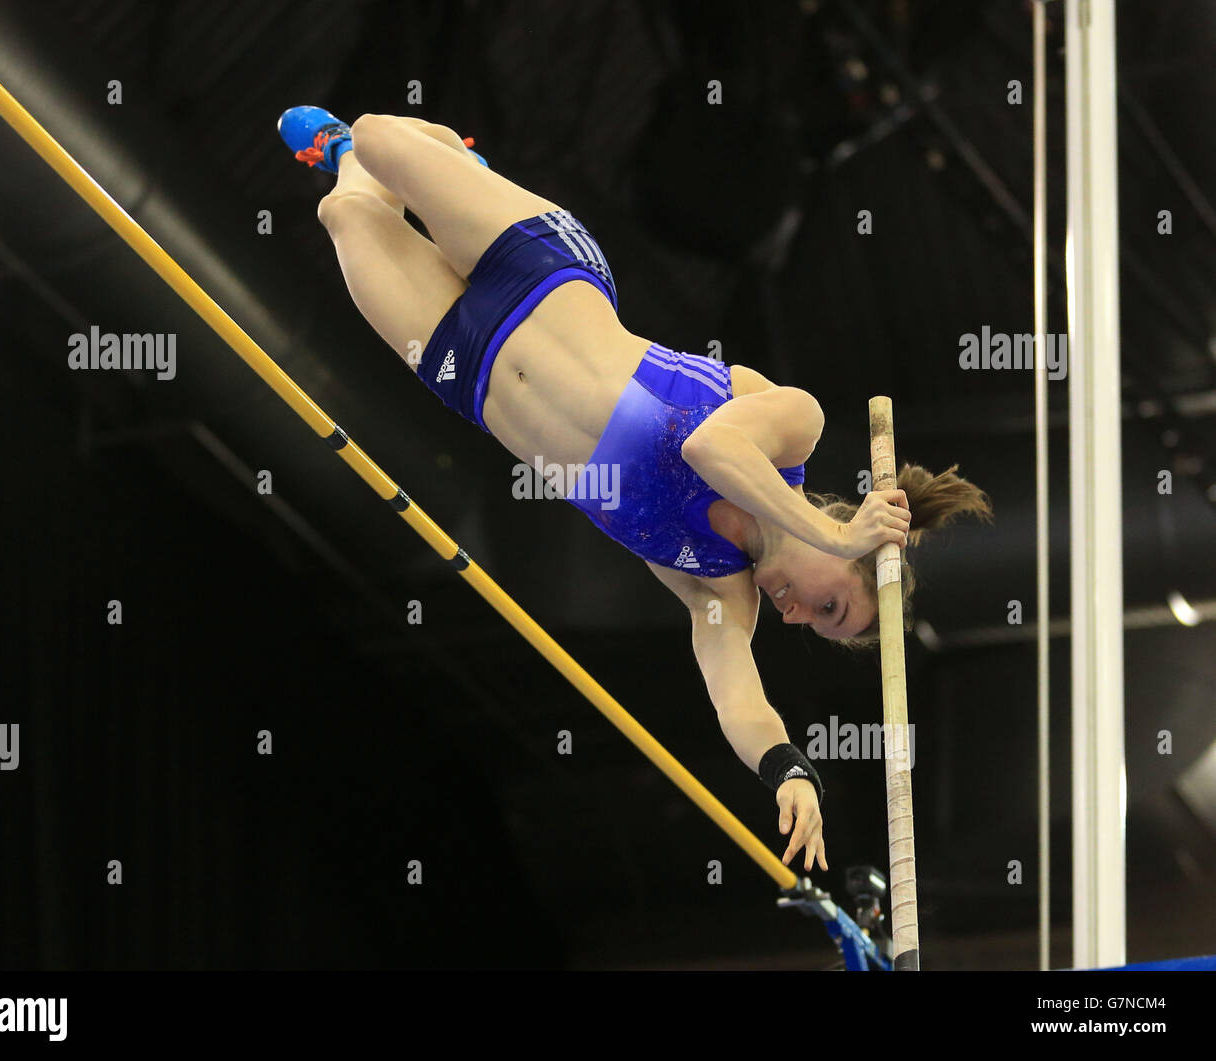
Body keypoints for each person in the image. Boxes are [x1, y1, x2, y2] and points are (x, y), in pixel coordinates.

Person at [279, 106, 992, 873]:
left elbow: (736, 697)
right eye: (829, 604)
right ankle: (441, 163)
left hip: (469, 368)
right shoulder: (795, 427)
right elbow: (708, 444)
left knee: (345, 209)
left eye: (813, 624)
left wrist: (789, 768)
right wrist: (837, 535)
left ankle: (344, 156)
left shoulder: (717, 589)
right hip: (543, 271)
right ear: (844, 530)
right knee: (385, 139)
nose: (796, 614)